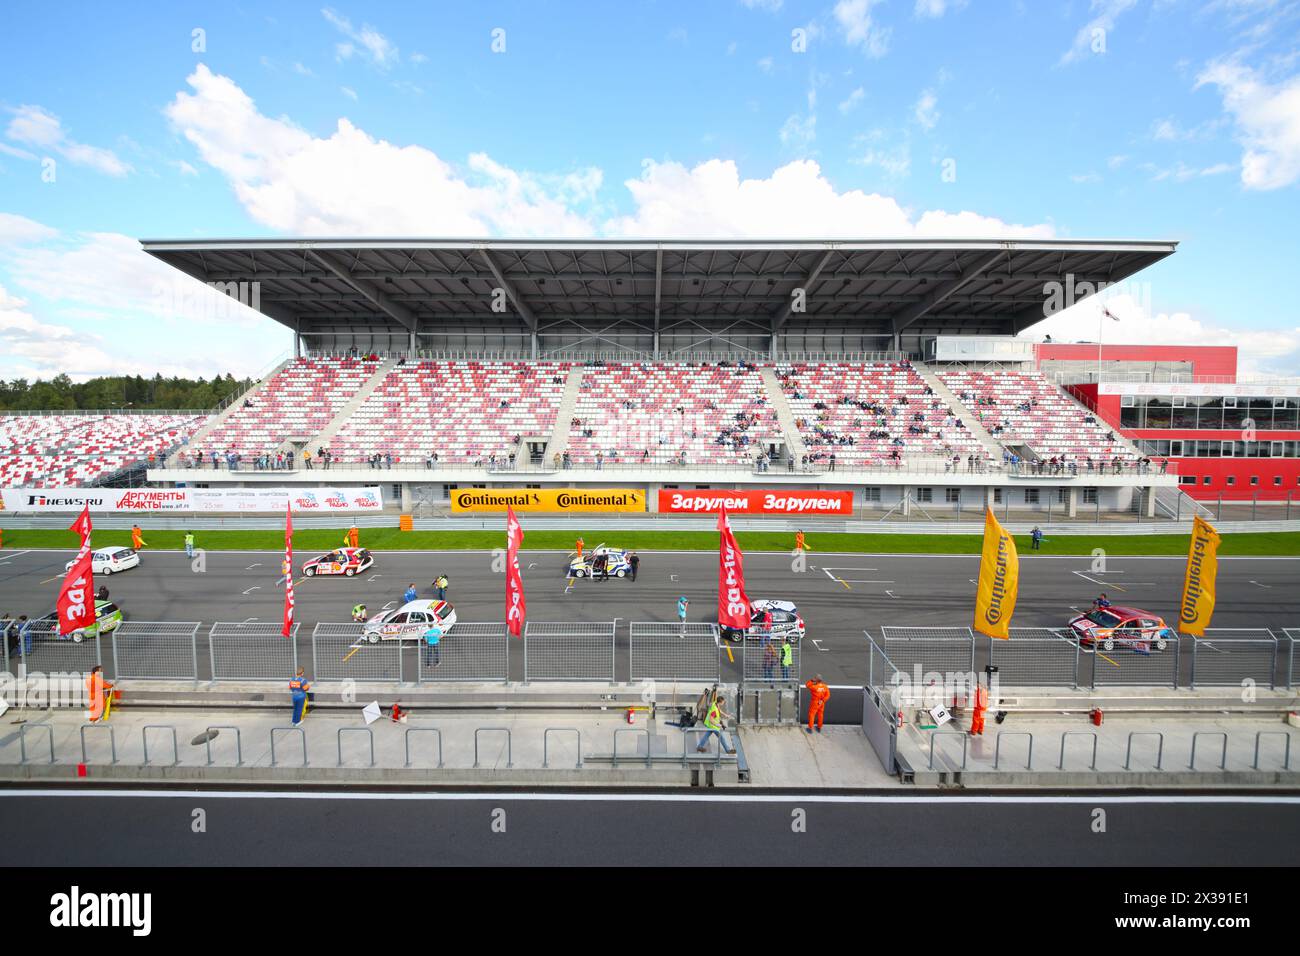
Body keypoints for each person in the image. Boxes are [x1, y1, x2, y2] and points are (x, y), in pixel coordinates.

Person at [695, 690, 736, 755]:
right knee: (722, 738)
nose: (724, 703)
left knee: (706, 736)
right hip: (713, 725)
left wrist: (725, 715)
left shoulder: (716, 703)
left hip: (711, 725)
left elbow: (719, 710)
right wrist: (718, 725)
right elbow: (711, 720)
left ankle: (700, 747)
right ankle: (728, 750)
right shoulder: (714, 710)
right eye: (723, 702)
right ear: (720, 702)